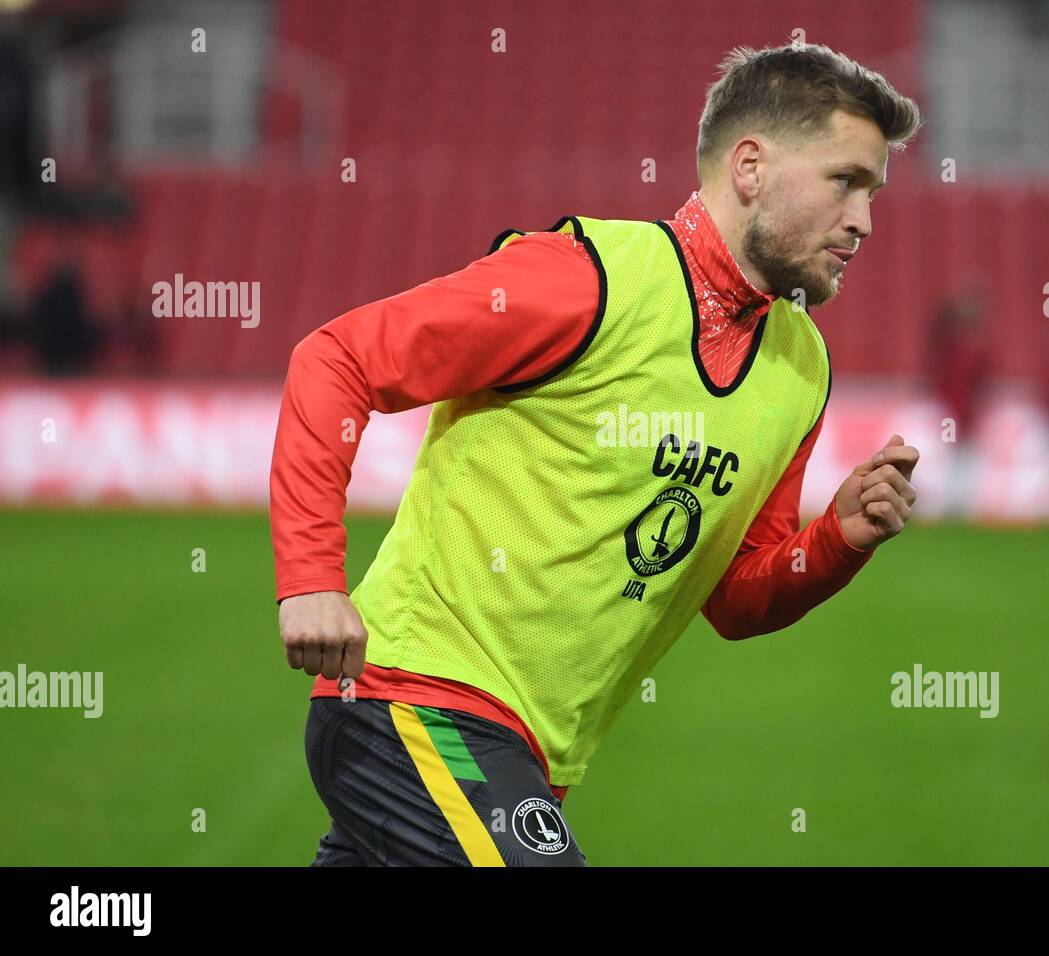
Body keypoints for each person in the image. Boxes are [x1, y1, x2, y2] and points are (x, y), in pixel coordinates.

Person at [271, 42, 923, 867]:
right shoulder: (584, 280)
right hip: (415, 706)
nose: (864, 219)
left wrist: (836, 544)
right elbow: (337, 359)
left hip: (521, 759)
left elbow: (732, 597)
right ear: (750, 168)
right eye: (845, 181)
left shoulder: (800, 369)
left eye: (873, 191)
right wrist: (311, 580)